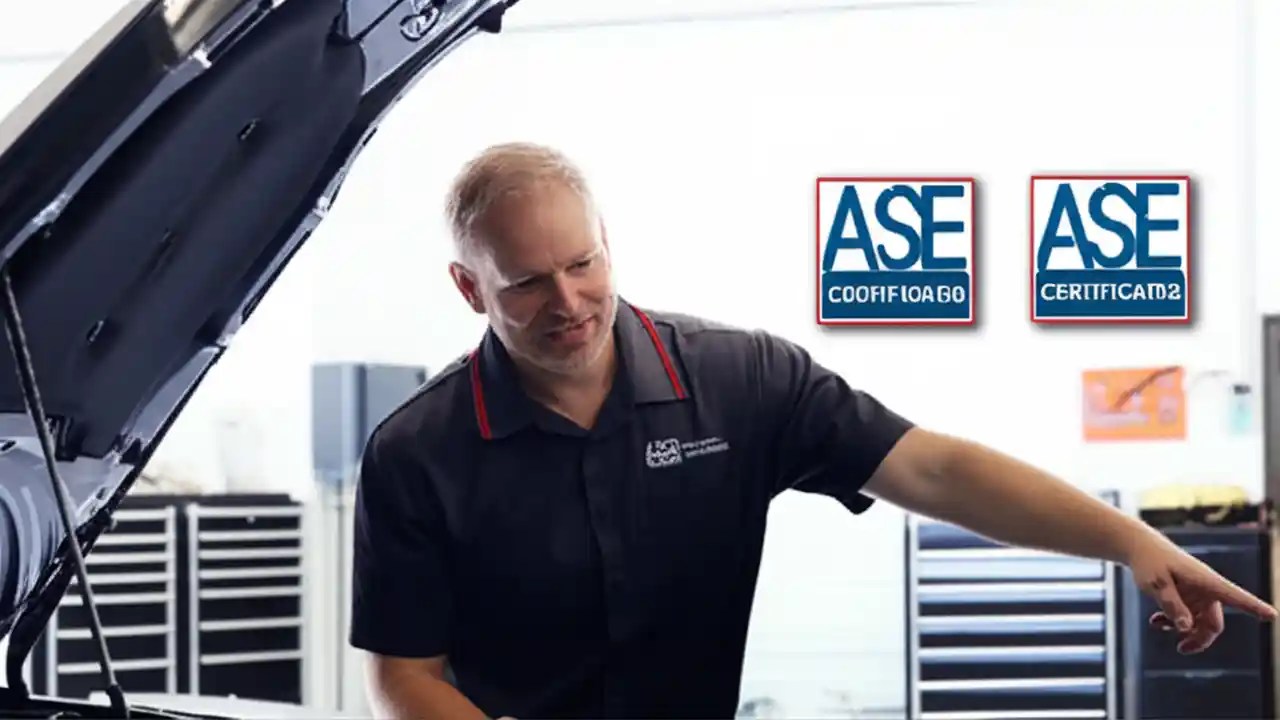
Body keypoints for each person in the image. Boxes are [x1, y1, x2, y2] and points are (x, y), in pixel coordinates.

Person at [347, 142, 1278, 720]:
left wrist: (1130, 540)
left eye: (584, 263)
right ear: (470, 287)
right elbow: (404, 678)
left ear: (607, 238)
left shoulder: (741, 379)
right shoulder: (415, 454)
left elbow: (938, 471)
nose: (570, 301)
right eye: (526, 283)